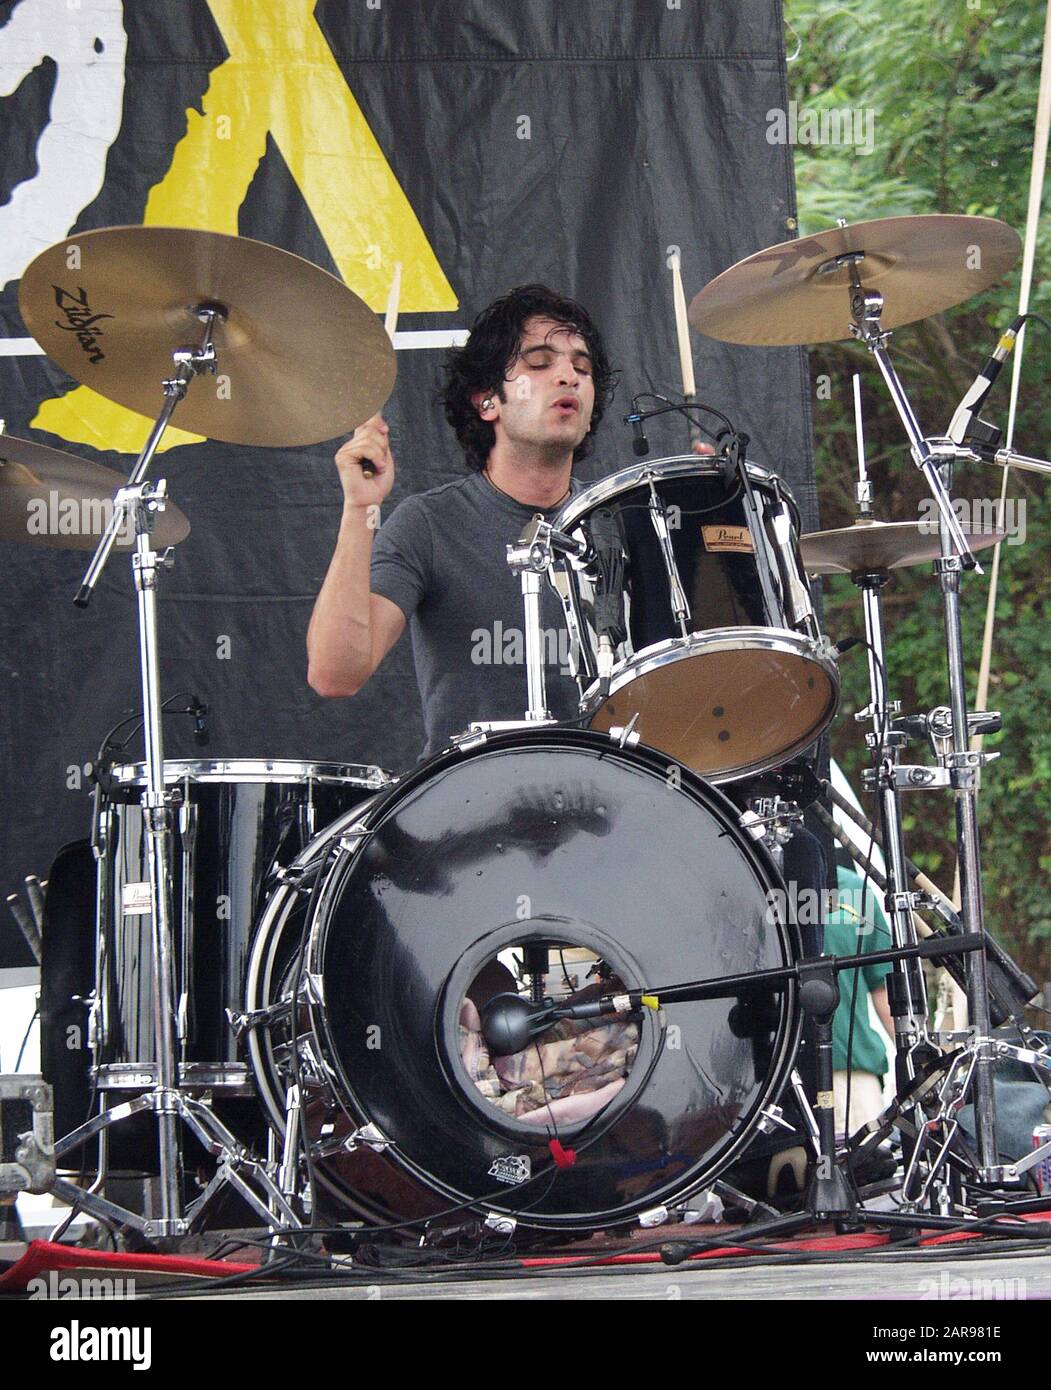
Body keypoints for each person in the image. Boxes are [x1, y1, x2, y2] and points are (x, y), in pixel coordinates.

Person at [825, 855, 895, 1137]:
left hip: (849, 1075)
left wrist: (917, 1058)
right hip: (768, 1082)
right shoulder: (745, 885)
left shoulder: (855, 890)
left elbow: (883, 985)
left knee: (867, 1175)